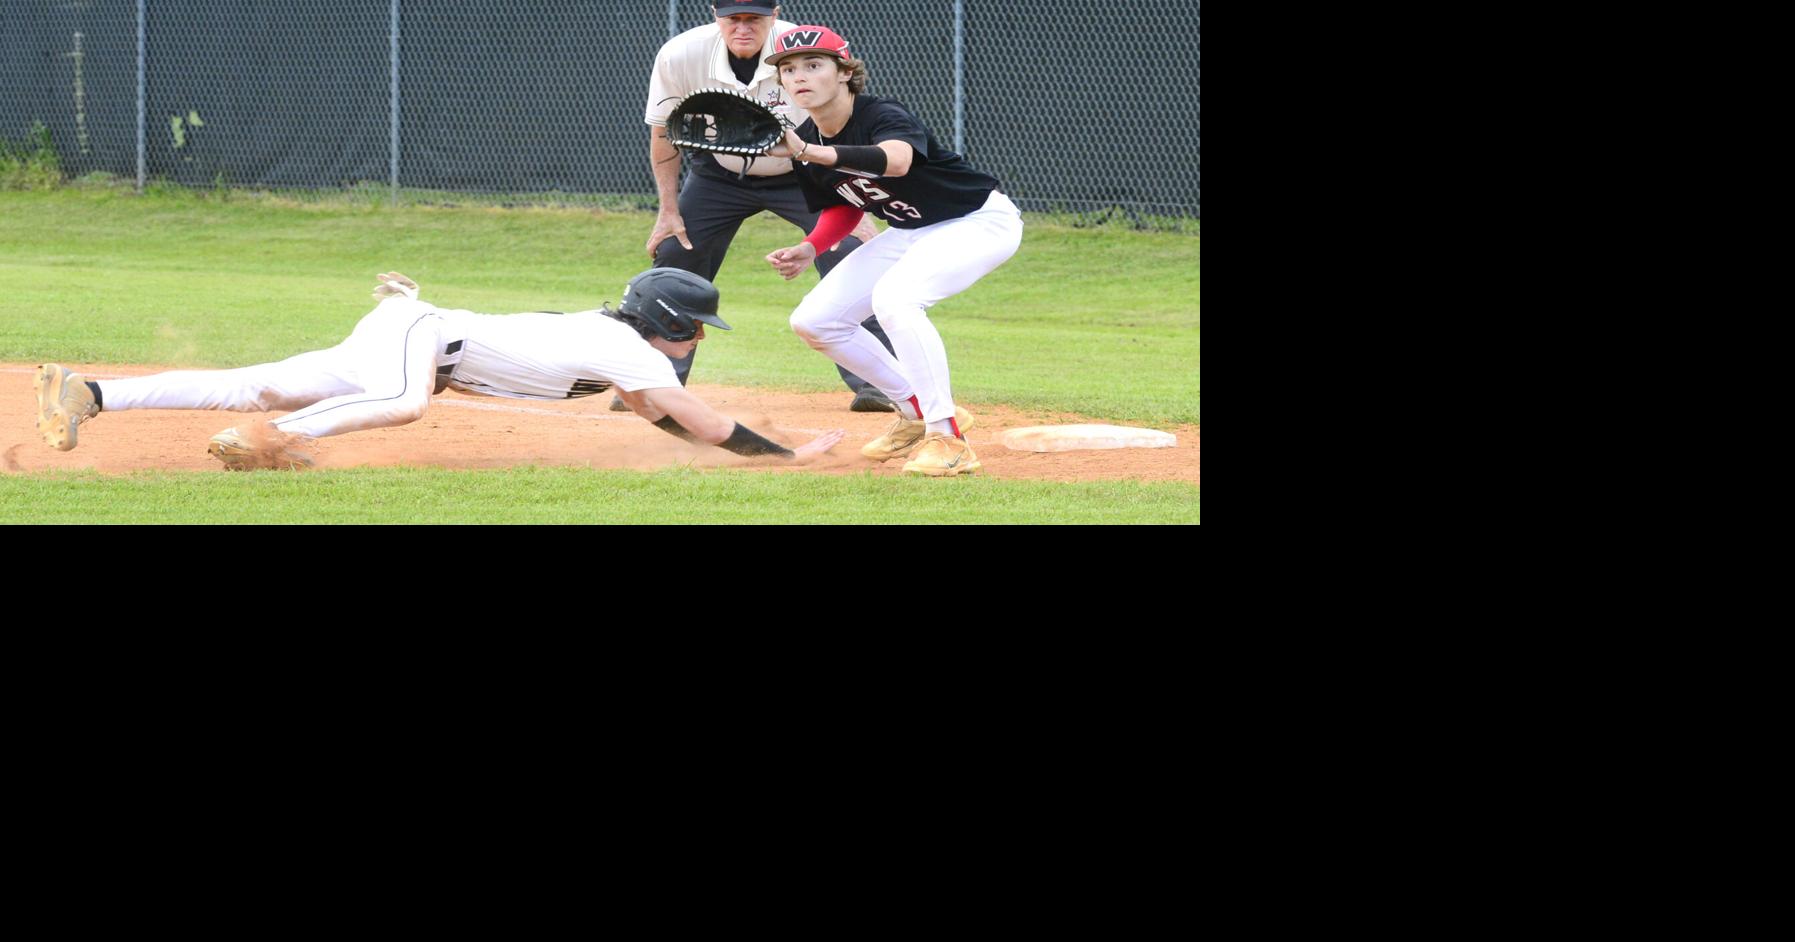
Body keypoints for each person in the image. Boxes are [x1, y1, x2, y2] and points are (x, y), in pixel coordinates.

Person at [32, 269, 844, 469]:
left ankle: (90, 394)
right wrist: (783, 457)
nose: (696, 339)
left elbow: (665, 419)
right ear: (666, 321)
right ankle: (268, 439)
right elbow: (695, 418)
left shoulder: (623, 357)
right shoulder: (629, 349)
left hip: (416, 326)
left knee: (258, 377)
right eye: (694, 326)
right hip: (422, 335)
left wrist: (741, 450)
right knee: (406, 402)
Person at [761, 25, 1023, 477]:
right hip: (909, 231)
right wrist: (810, 246)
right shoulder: (805, 139)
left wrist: (809, 152)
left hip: (977, 220)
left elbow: (896, 160)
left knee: (896, 300)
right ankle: (917, 410)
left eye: (814, 64)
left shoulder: (881, 113)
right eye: (788, 69)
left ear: (844, 72)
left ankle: (949, 440)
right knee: (815, 320)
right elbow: (844, 205)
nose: (799, 75)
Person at [632, 0, 899, 414]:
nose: (743, 27)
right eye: (733, 17)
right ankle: (651, 381)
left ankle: (881, 382)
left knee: (849, 251)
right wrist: (668, 210)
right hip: (718, 172)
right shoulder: (681, 53)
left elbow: (841, 124)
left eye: (753, 17)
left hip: (802, 169)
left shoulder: (801, 52)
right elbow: (664, 131)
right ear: (714, 14)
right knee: (675, 253)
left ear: (774, 14)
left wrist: (856, 205)